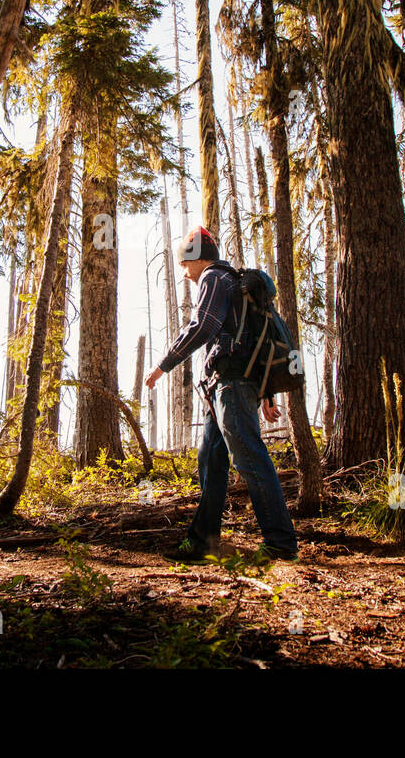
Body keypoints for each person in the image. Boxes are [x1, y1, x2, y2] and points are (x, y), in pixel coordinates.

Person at [144, 226, 298, 562]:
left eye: (185, 266)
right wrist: (266, 391)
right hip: (224, 387)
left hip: (230, 385)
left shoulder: (214, 277)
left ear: (197, 258)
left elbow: (204, 325)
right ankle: (204, 542)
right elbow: (248, 338)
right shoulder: (233, 283)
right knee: (211, 461)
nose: (185, 275)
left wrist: (164, 365)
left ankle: (281, 542)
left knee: (248, 455)